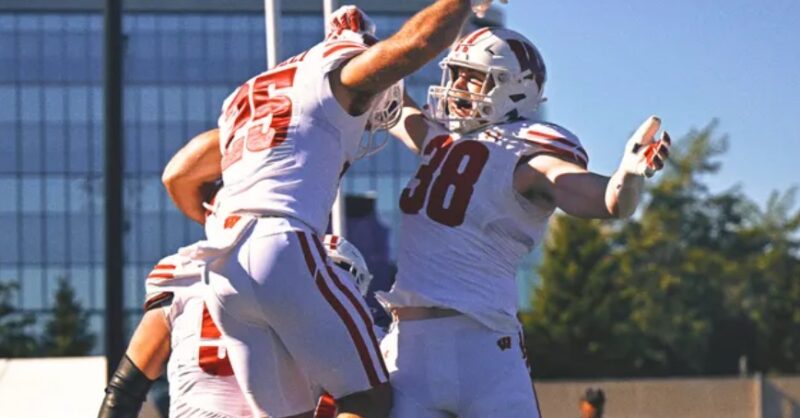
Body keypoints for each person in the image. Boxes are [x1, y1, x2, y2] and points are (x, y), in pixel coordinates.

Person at [160, 2, 508, 417]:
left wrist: (221, 227)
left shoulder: (250, 94)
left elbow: (177, 175)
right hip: (281, 245)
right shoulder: (337, 73)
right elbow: (415, 44)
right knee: (368, 400)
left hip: (220, 269)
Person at [378, 27, 671, 418]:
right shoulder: (440, 142)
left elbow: (604, 199)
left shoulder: (527, 152)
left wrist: (627, 178)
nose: (458, 85)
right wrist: (357, 46)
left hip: (483, 347)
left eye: (474, 76)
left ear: (515, 89)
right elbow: (389, 100)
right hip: (409, 350)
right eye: (457, 73)